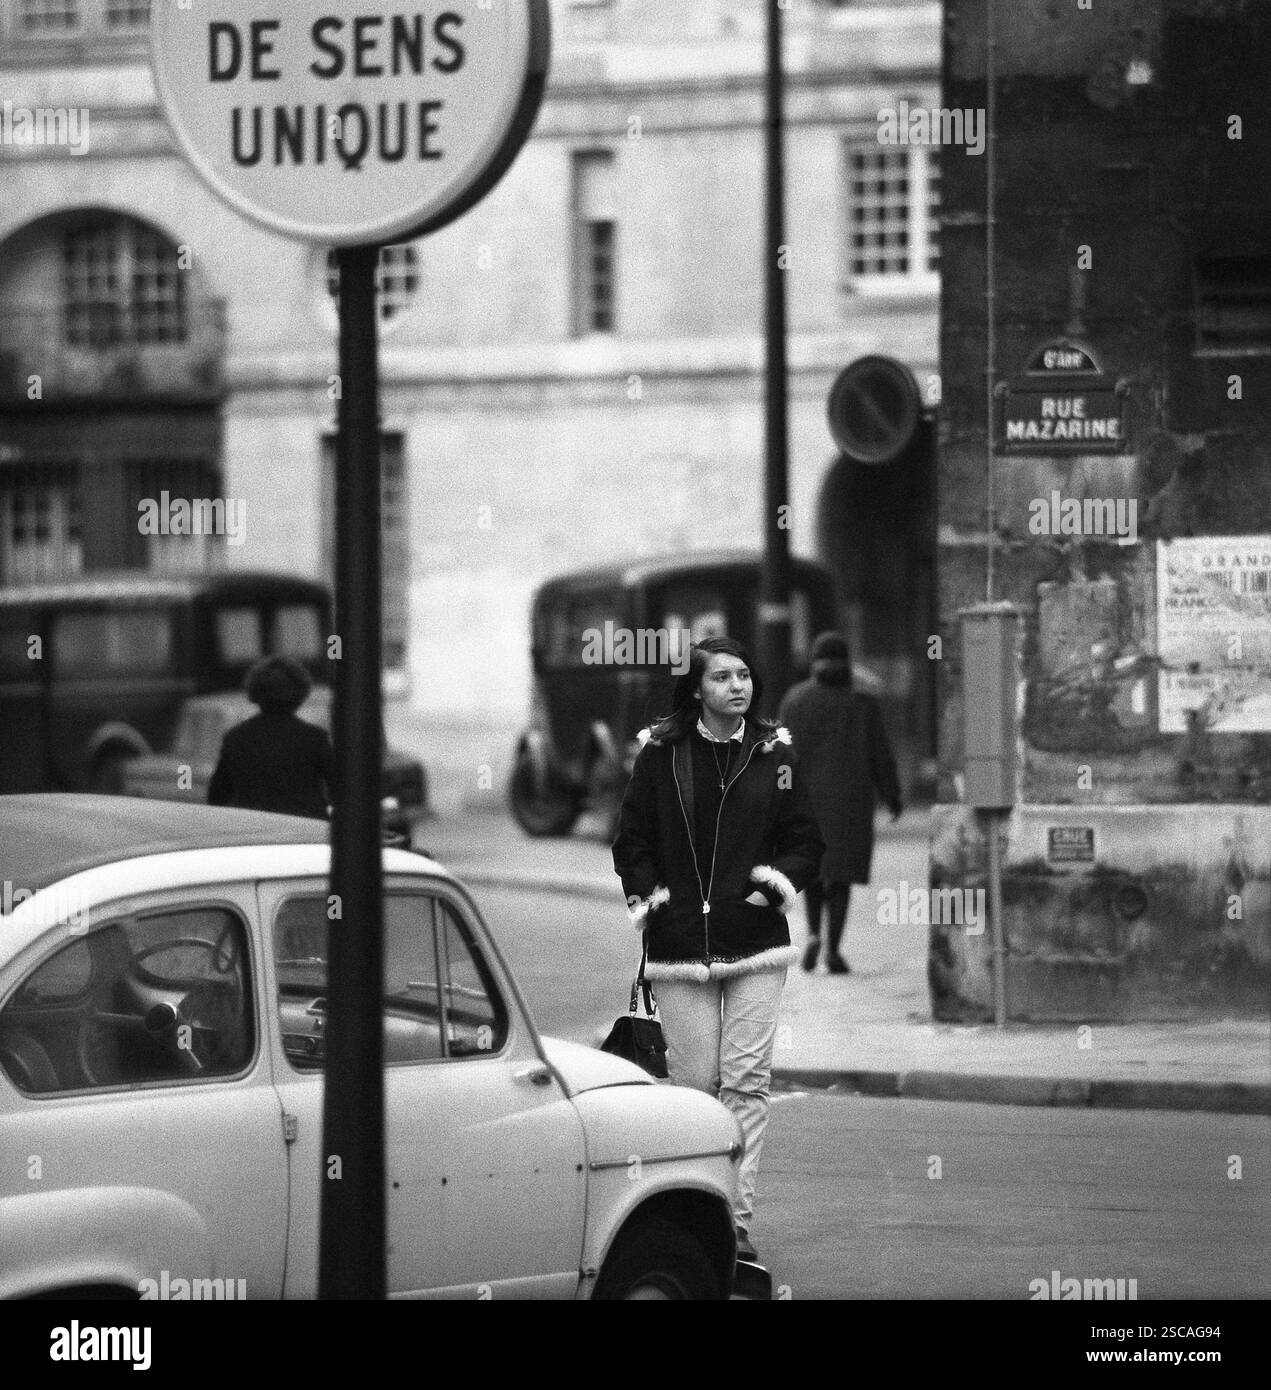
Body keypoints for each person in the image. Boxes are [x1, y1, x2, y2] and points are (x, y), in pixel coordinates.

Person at [612, 636, 823, 1265]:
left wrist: (771, 889)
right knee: (697, 1085)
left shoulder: (774, 753)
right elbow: (632, 839)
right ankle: (697, 1210)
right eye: (723, 677)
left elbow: (803, 839)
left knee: (747, 1082)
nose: (739, 686)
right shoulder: (661, 754)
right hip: (678, 946)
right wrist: (653, 902)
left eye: (745, 675)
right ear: (696, 690)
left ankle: (734, 1220)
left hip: (755, 943)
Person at [777, 631, 902, 975]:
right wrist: (892, 796)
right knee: (841, 878)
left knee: (814, 874)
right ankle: (833, 950)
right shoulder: (862, 703)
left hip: (806, 803)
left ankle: (814, 933)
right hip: (851, 804)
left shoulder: (794, 700)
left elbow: (779, 756)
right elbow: (880, 755)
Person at [208, 655, 333, 820]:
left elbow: (217, 796)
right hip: (304, 828)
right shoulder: (315, 738)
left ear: (255, 692)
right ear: (299, 693)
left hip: (253, 829)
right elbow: (339, 788)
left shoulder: (236, 737)